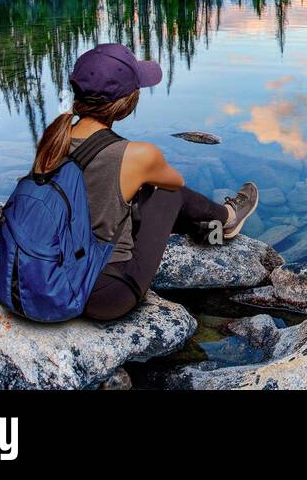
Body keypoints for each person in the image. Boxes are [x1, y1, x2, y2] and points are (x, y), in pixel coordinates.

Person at [29, 43, 258, 321]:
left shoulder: (53, 139)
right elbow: (175, 183)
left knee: (128, 195)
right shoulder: (135, 155)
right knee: (167, 194)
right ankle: (227, 218)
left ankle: (208, 229)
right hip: (105, 295)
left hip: (45, 281)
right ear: (127, 102)